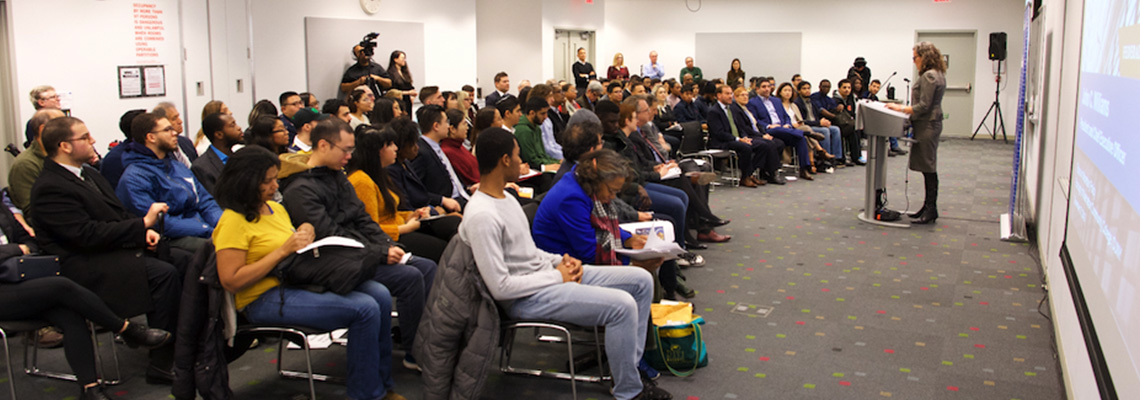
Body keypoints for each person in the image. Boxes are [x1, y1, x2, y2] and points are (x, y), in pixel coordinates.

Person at [460, 128, 671, 400]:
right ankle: (628, 390)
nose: (521, 159)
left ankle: (628, 367)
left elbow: (529, 253)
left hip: (544, 277)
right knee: (622, 305)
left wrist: (561, 261)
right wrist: (558, 275)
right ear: (504, 160)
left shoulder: (505, 199)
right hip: (524, 297)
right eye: (516, 155)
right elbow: (501, 287)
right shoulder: (482, 215)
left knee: (641, 282)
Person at [211, 146, 404, 400]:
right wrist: (281, 252)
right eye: (268, 181)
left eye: (274, 178)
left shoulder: (274, 209)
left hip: (292, 280)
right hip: (261, 298)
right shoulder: (233, 220)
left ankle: (381, 383)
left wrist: (305, 229)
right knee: (364, 308)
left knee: (378, 294)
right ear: (246, 183)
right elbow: (231, 280)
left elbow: (291, 242)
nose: (275, 185)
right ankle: (367, 393)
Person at [30, 116, 186, 385]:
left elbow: (116, 214)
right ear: (65, 146)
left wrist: (142, 231)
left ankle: (185, 344)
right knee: (163, 273)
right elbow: (84, 236)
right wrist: (141, 224)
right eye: (85, 137)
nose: (92, 141)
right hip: (82, 265)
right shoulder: (49, 187)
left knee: (184, 260)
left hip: (108, 251)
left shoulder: (88, 173)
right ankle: (161, 362)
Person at [278, 118, 438, 370]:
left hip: (357, 254)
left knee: (425, 267)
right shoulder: (299, 188)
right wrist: (379, 252)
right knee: (409, 277)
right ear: (323, 145)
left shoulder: (336, 176)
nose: (350, 156)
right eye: (346, 150)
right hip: (332, 262)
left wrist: (386, 246)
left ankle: (422, 344)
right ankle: (414, 352)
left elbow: (362, 219)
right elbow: (331, 235)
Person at [117, 113, 223, 252]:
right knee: (224, 249)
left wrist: (222, 225)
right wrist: (207, 230)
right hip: (171, 238)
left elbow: (205, 201)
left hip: (201, 228)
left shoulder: (177, 166)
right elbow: (162, 223)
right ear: (151, 137)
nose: (175, 133)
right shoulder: (135, 177)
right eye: (167, 130)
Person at [887, 42, 946, 225]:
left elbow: (924, 105)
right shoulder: (938, 73)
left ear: (924, 56)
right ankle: (928, 206)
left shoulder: (929, 76)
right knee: (928, 167)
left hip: (927, 125)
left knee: (928, 167)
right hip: (929, 123)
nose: (914, 62)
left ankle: (931, 208)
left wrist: (902, 108)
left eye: (915, 58)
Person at [386, 117, 464, 215]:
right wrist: (434, 211)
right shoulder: (392, 170)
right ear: (402, 146)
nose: (417, 147)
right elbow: (405, 206)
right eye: (412, 144)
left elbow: (421, 193)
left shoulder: (406, 163)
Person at [710, 84, 782, 187]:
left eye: (731, 93)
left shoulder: (731, 109)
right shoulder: (714, 111)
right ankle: (744, 177)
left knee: (763, 145)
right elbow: (719, 133)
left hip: (736, 139)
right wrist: (738, 139)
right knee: (745, 148)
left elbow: (740, 127)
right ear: (719, 95)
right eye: (727, 94)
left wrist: (744, 137)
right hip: (722, 142)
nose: (730, 96)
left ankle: (750, 173)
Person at [747, 80, 814, 180]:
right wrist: (769, 126)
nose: (767, 89)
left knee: (800, 139)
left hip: (784, 129)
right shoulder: (753, 102)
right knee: (787, 132)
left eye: (768, 86)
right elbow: (755, 120)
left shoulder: (776, 101)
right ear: (757, 89)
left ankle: (804, 169)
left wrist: (787, 124)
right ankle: (806, 133)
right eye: (763, 86)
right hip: (769, 130)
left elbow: (786, 116)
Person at [410, 105, 471, 203]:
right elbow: (416, 190)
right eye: (446, 122)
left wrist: (467, 189)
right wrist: (441, 201)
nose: (448, 126)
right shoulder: (421, 152)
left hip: (463, 195)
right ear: (436, 126)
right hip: (450, 202)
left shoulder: (437, 147)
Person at [9, 108, 65, 214]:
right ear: (43, 130)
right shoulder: (26, 164)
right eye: (62, 124)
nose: (69, 129)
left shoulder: (63, 155)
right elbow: (33, 210)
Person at [192, 112, 243, 195]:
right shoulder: (202, 167)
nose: (239, 128)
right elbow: (213, 201)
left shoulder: (241, 158)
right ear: (219, 135)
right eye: (232, 125)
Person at [795, 81, 844, 166]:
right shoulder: (797, 103)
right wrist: (819, 123)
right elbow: (801, 121)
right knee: (825, 131)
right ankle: (825, 157)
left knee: (835, 129)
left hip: (816, 124)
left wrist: (824, 121)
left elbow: (818, 114)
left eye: (808, 88)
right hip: (807, 126)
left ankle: (837, 158)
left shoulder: (812, 101)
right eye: (804, 89)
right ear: (799, 91)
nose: (807, 91)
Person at [514, 96, 561, 172]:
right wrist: (553, 163)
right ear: (532, 113)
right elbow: (531, 160)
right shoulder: (523, 131)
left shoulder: (537, 128)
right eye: (542, 113)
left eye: (546, 113)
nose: (546, 117)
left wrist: (557, 162)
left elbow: (543, 155)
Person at [440, 109, 479, 187]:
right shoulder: (448, 152)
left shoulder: (459, 146)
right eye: (464, 124)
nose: (467, 128)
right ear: (452, 129)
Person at [153, 102, 198, 167]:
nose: (180, 121)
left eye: (178, 116)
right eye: (174, 118)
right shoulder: (161, 147)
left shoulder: (186, 142)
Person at [831, 79, 864, 165]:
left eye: (849, 88)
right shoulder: (834, 100)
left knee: (855, 129)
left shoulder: (850, 99)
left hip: (847, 124)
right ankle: (846, 157)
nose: (847, 90)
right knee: (852, 129)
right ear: (839, 88)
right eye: (844, 87)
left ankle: (856, 157)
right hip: (838, 124)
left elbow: (852, 113)